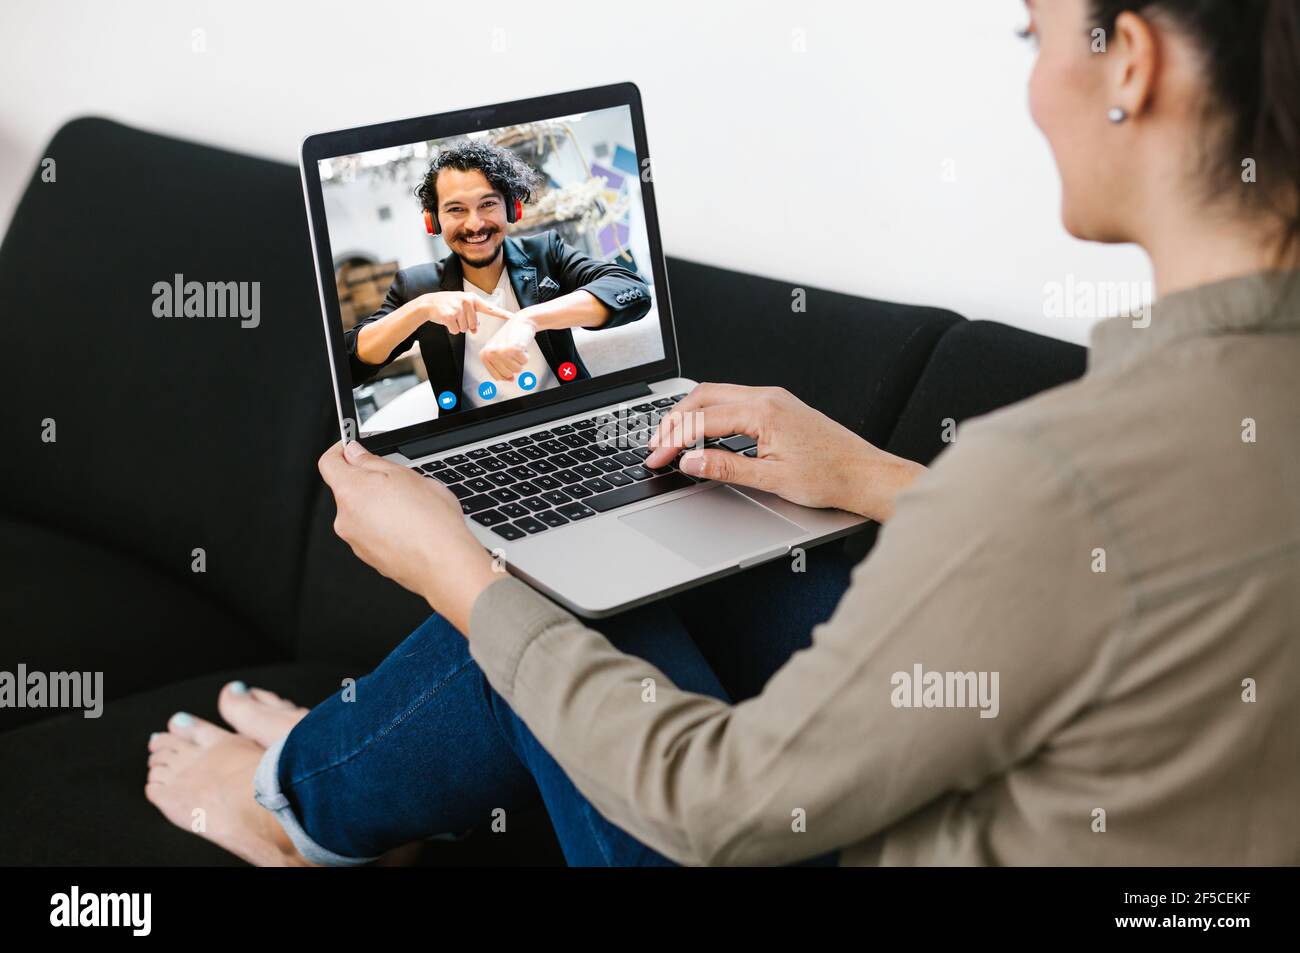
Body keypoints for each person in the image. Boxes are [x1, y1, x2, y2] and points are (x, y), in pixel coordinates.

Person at [145, 0, 1300, 866]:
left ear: (1129, 63)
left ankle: (295, 805)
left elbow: (714, 800)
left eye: (1031, 34)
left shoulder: (1060, 468)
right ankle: (339, 780)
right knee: (669, 541)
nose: (1036, 77)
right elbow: (1110, 568)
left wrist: (461, 569)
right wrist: (869, 473)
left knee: (546, 601)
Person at [345, 140, 652, 412]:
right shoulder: (417, 287)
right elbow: (348, 365)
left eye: (488, 204)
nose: (474, 224)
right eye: (456, 210)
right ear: (433, 221)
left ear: (512, 209)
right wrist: (421, 308)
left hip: (568, 418)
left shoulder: (546, 253)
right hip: (472, 443)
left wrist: (528, 319)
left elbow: (631, 290)